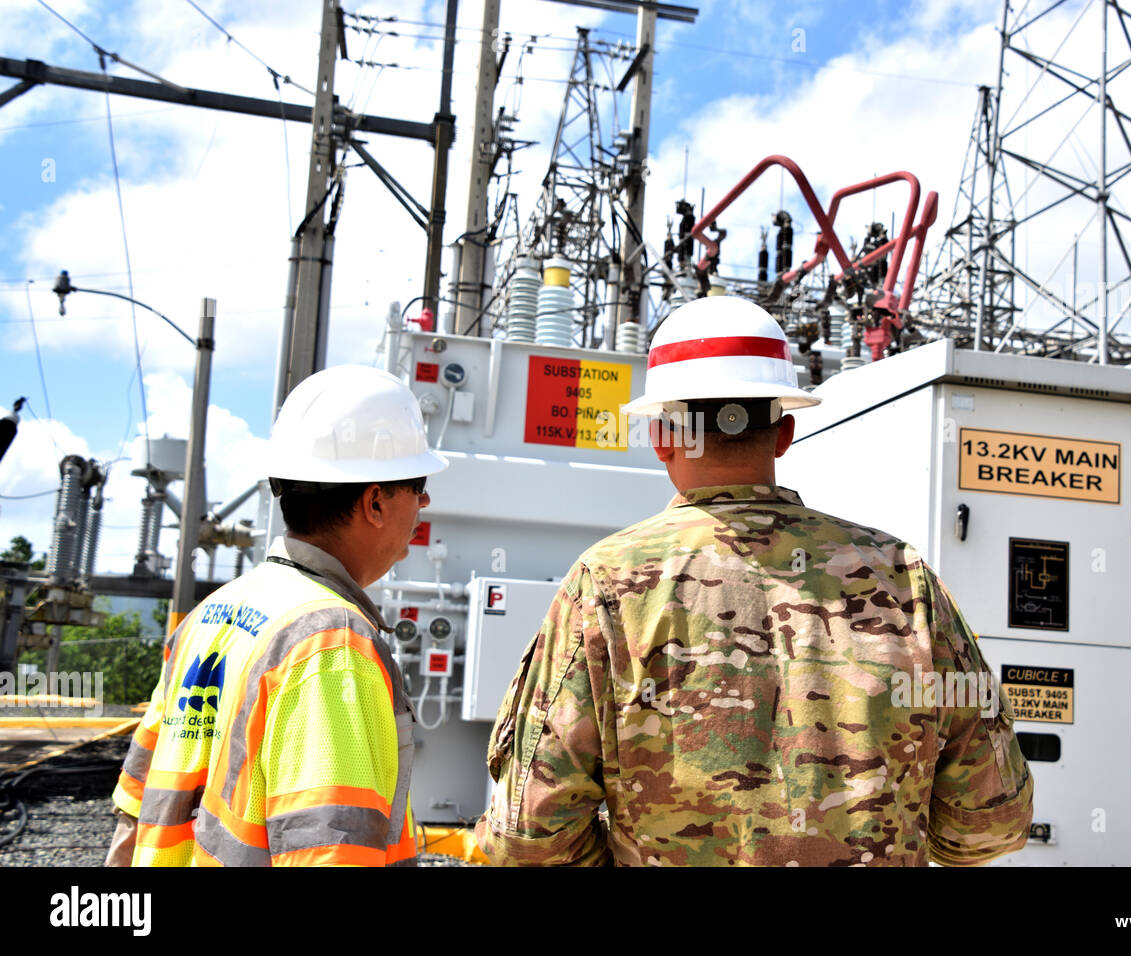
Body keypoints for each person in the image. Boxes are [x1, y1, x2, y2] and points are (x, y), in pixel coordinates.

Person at [474, 296, 1033, 866]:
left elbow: (527, 838)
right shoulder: (903, 578)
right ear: (785, 434)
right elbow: (992, 823)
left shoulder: (608, 585)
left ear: (665, 436)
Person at [106, 365, 447, 866]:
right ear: (375, 501)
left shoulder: (209, 615)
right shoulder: (330, 642)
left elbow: (134, 810)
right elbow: (330, 852)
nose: (424, 503)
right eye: (417, 487)